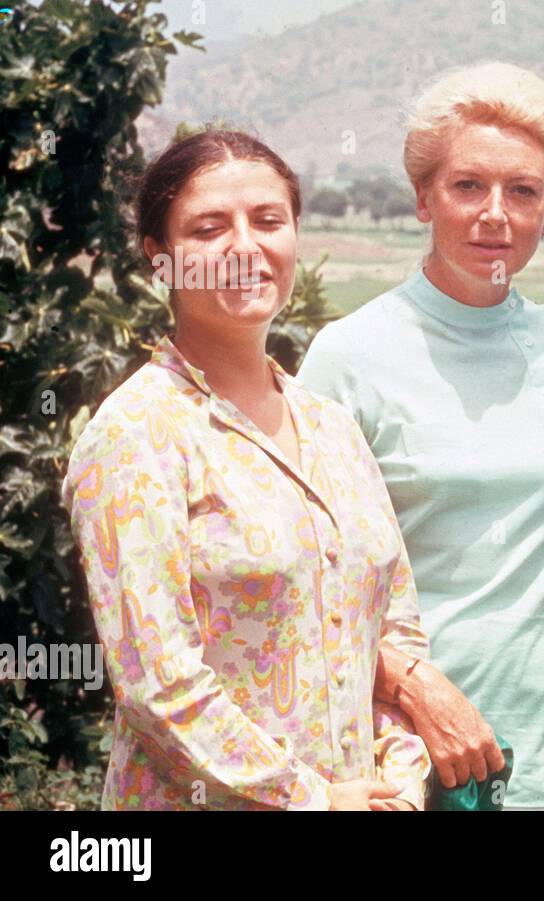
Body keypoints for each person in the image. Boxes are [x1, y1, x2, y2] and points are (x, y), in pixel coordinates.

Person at [61, 129, 431, 810]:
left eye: (267, 220)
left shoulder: (332, 427)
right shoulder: (138, 434)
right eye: (208, 227)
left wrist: (402, 781)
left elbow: (394, 629)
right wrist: (312, 797)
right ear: (162, 260)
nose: (244, 247)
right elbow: (158, 685)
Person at [297, 63, 544, 810]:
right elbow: (300, 584)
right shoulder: (349, 355)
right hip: (399, 751)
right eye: (468, 186)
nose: (496, 213)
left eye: (523, 191)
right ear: (424, 197)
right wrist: (416, 688)